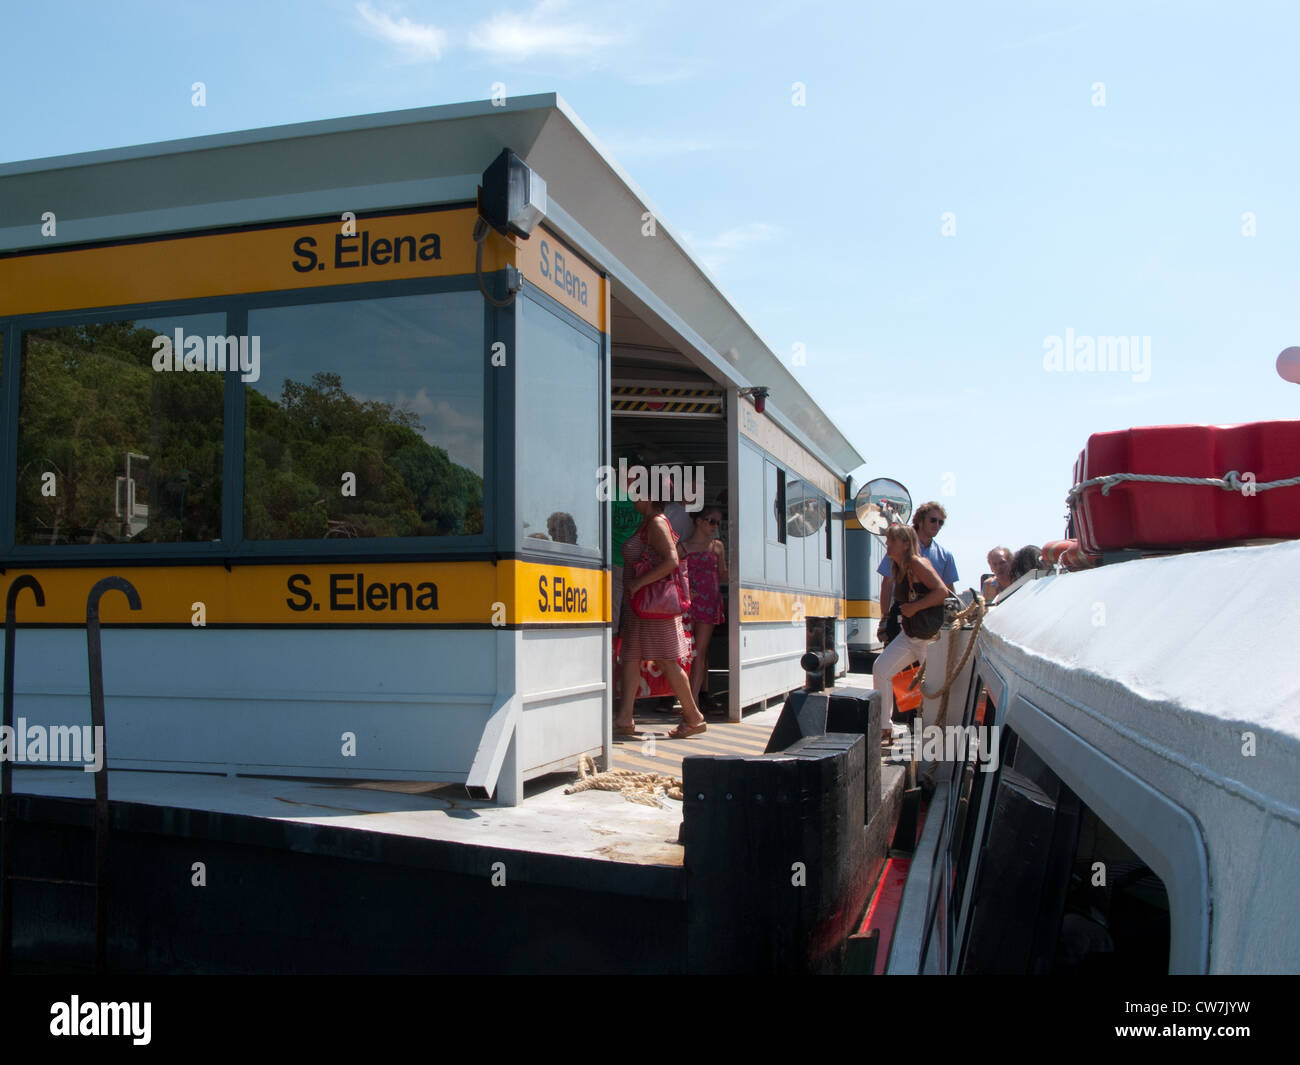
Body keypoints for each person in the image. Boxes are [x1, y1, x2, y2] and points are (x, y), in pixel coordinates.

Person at [614, 497, 707, 739]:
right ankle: (625, 719)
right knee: (631, 657)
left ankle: (694, 717)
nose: (630, 495)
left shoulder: (656, 523)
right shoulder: (648, 522)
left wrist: (637, 584)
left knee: (667, 659)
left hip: (652, 606)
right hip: (641, 606)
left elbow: (671, 561)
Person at [872, 524, 949, 743]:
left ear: (906, 543)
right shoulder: (898, 567)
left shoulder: (917, 563)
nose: (887, 544)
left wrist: (915, 607)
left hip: (927, 638)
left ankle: (936, 736)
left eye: (892, 540)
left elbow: (942, 591)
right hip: (910, 634)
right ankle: (885, 727)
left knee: (932, 687)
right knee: (881, 669)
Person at [875, 501, 958, 646]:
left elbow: (948, 591)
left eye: (941, 522)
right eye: (933, 520)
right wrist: (885, 617)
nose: (937, 525)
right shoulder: (899, 546)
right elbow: (887, 584)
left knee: (927, 665)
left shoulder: (945, 556)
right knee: (891, 666)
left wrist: (952, 619)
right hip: (902, 615)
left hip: (928, 621)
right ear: (920, 521)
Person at [679, 506, 728, 712]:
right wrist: (687, 589)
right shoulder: (682, 547)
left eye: (717, 523)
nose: (715, 526)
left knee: (700, 652)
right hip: (688, 603)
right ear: (698, 521)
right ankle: (688, 700)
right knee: (685, 652)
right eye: (711, 521)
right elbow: (673, 574)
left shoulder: (717, 547)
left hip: (709, 603)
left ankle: (693, 701)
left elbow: (724, 575)